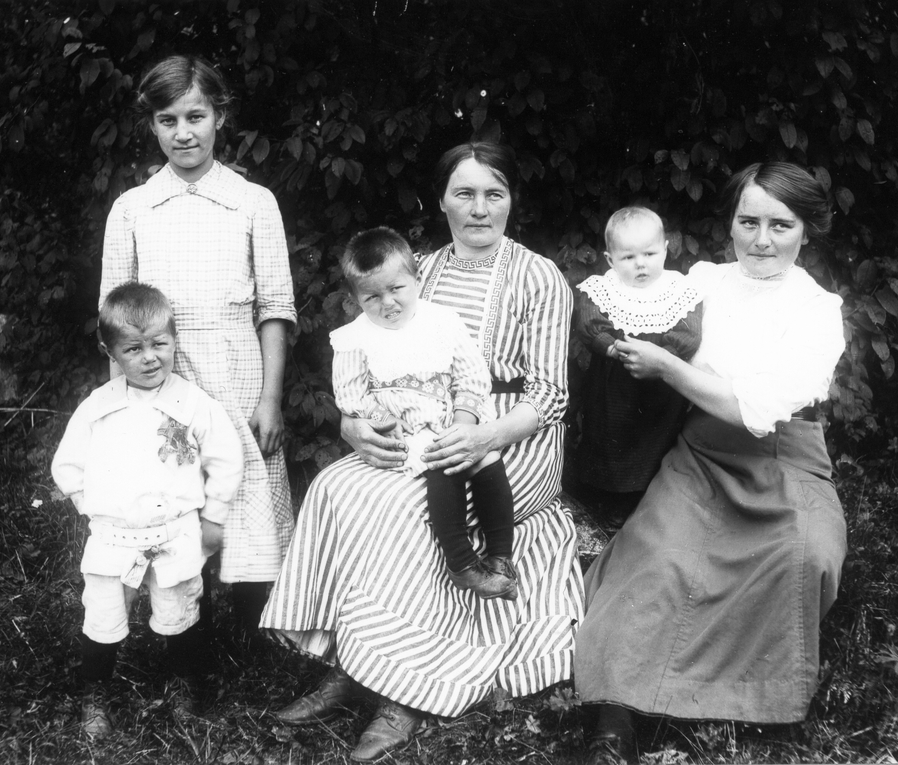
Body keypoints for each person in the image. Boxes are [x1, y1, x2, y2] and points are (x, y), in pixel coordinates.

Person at [261, 142, 585, 762]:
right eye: (464, 193)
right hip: (417, 425)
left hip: (512, 434)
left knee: (410, 506)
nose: (480, 208)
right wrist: (354, 428)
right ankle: (350, 659)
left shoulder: (538, 276)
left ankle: (400, 688)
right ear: (441, 201)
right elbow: (368, 369)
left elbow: (549, 395)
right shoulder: (420, 269)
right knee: (337, 485)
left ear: (512, 199)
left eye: (494, 193)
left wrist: (484, 433)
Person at [574, 162, 848, 765]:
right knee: (656, 561)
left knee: (804, 557)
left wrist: (671, 368)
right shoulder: (700, 281)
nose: (761, 240)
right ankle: (615, 720)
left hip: (783, 456)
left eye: (781, 224)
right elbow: (623, 300)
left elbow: (764, 405)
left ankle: (748, 694)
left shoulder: (818, 309)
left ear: (808, 230)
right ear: (730, 222)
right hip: (699, 452)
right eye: (748, 221)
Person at [99, 55, 296, 637]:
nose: (183, 133)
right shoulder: (133, 209)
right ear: (151, 125)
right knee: (174, 496)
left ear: (220, 116)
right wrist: (120, 406)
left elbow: (275, 310)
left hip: (237, 373)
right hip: (163, 379)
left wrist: (271, 397)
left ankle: (254, 633)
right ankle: (188, 630)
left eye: (195, 116)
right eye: (167, 120)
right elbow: (113, 321)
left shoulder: (253, 202)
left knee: (248, 496)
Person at [52, 283, 243, 736]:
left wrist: (213, 516)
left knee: (180, 614)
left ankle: (184, 682)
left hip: (176, 534)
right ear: (110, 351)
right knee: (101, 618)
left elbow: (226, 460)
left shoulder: (192, 404)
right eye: (133, 349)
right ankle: (95, 690)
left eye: (160, 343)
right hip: (113, 538)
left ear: (175, 339)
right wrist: (93, 508)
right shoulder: (99, 407)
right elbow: (67, 464)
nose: (150, 357)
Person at [332, 226, 517, 600]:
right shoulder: (355, 338)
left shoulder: (441, 322)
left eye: (396, 289)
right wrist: (381, 417)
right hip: (399, 433)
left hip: (450, 422)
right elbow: (349, 394)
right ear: (355, 299)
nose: (387, 304)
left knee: (488, 460)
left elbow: (472, 375)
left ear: (416, 279)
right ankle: (462, 564)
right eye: (372, 297)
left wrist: (464, 421)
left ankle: (500, 556)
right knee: (441, 465)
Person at [571, 207, 702, 529]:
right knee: (609, 434)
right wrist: (610, 346)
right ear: (610, 258)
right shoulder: (603, 289)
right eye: (628, 257)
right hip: (612, 382)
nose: (641, 263)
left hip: (661, 385)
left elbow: (690, 332)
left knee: (653, 439)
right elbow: (588, 322)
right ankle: (608, 494)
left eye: (650, 253)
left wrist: (664, 354)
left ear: (666, 249)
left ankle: (645, 496)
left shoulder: (679, 291)